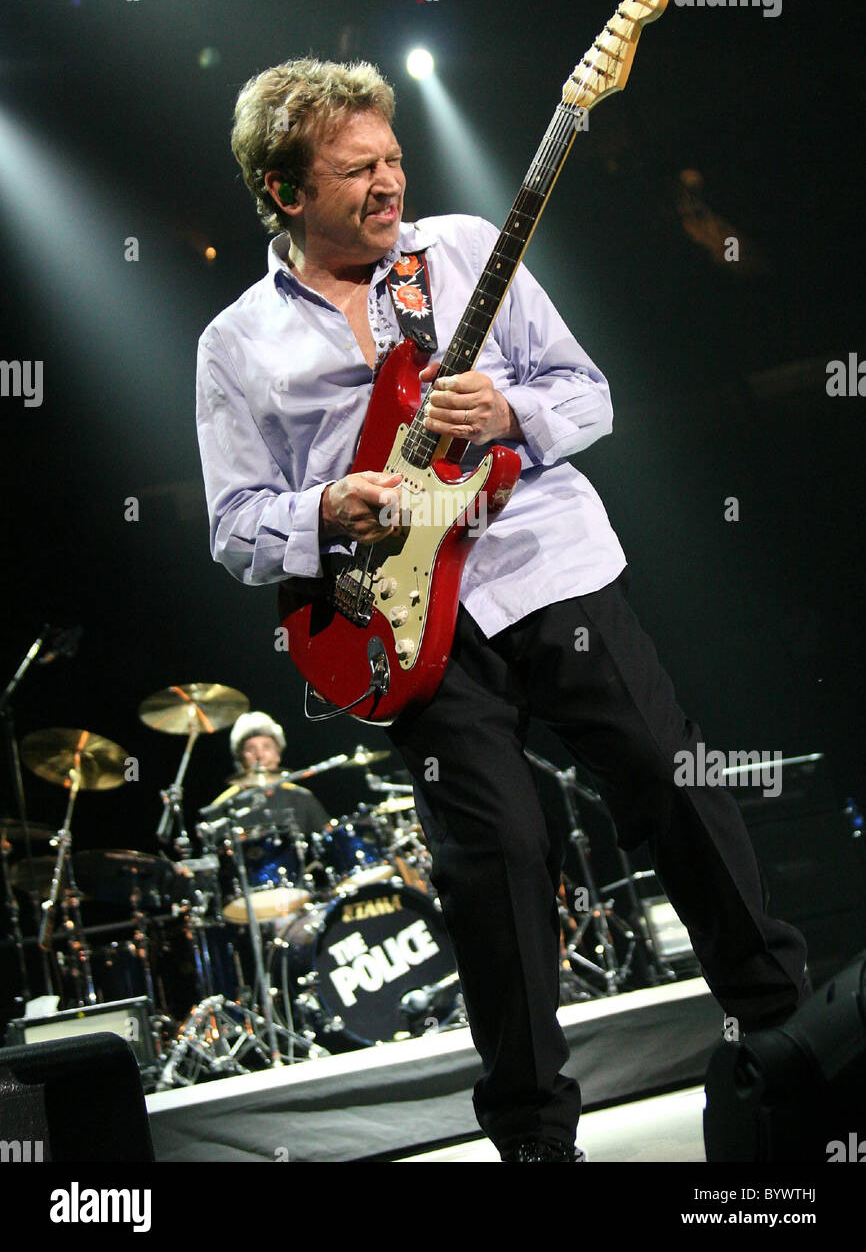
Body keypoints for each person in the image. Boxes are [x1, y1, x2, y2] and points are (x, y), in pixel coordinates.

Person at [195, 57, 810, 1162]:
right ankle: (534, 1139)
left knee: (670, 780)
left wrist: (508, 408)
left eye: (391, 158)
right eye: (355, 172)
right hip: (403, 628)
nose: (388, 185)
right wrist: (328, 504)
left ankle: (787, 1034)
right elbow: (237, 527)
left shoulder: (466, 249)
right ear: (286, 192)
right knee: (497, 862)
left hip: (545, 568)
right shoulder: (236, 344)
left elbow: (590, 394)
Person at [225, 710, 330, 840]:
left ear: (278, 754)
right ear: (240, 758)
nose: (260, 755)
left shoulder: (302, 797)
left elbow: (328, 840)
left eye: (267, 747)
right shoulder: (226, 806)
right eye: (251, 749)